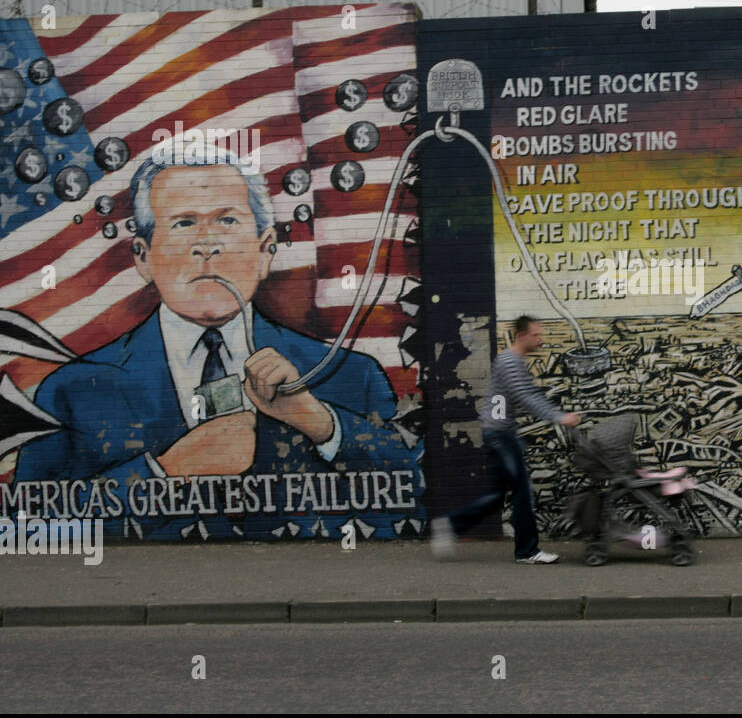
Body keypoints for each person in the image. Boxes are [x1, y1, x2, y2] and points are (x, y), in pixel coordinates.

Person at [13, 144, 419, 538]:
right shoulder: (72, 391)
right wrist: (165, 472)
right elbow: (33, 526)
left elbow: (417, 496)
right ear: (142, 256)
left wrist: (319, 423)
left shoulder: (348, 375)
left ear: (265, 252)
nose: (207, 245)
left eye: (227, 221)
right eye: (183, 223)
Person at [432, 315, 579, 563]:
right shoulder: (511, 361)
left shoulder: (511, 360)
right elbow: (526, 396)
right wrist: (559, 417)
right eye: (536, 335)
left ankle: (451, 525)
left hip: (498, 433)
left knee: (497, 496)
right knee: (522, 491)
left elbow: (524, 395)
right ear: (522, 335)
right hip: (500, 435)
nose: (540, 340)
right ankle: (527, 551)